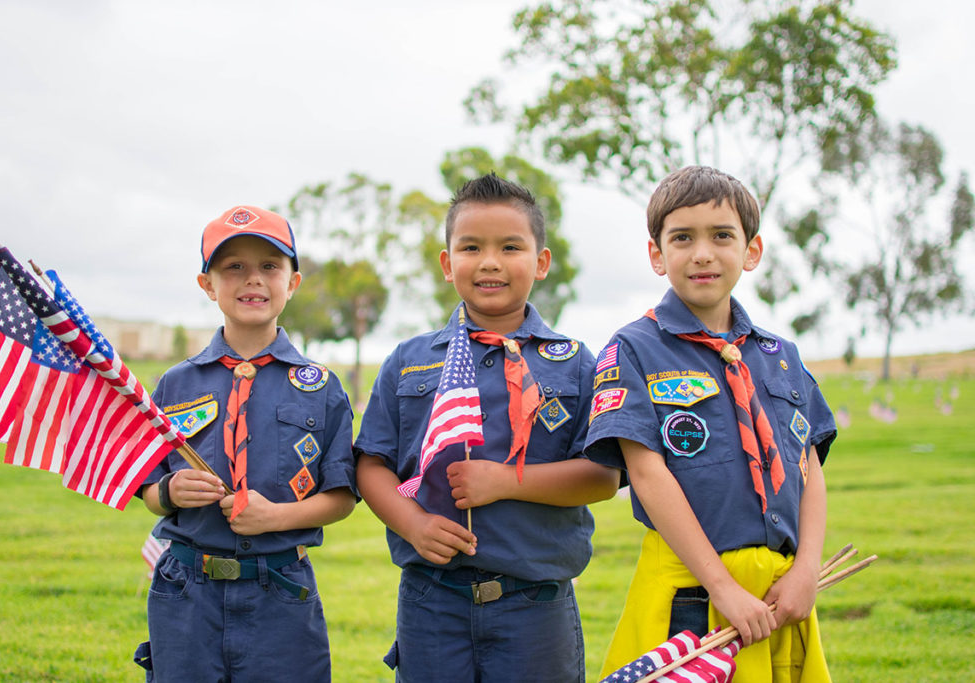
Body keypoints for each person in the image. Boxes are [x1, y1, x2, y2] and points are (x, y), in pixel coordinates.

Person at [355, 173, 619, 682]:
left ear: (541, 262)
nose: (490, 262)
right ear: (447, 263)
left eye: (510, 246)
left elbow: (603, 476)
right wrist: (412, 524)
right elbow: (371, 464)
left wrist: (505, 481)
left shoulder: (578, 363)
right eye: (471, 247)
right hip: (432, 601)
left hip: (536, 604)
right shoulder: (409, 362)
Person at [586, 166, 836, 681]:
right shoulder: (633, 348)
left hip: (780, 595)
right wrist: (723, 588)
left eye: (722, 235)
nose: (703, 253)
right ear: (657, 254)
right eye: (682, 238)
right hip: (692, 596)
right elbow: (649, 477)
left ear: (752, 250)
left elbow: (808, 464)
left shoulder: (781, 355)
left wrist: (807, 570)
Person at [132, 205, 356, 682]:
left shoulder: (322, 388)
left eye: (269, 266)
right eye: (233, 267)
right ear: (207, 285)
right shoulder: (175, 383)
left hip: (280, 592)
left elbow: (340, 497)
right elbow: (147, 486)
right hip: (187, 593)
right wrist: (169, 492)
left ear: (293, 283)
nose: (252, 279)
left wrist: (276, 517)